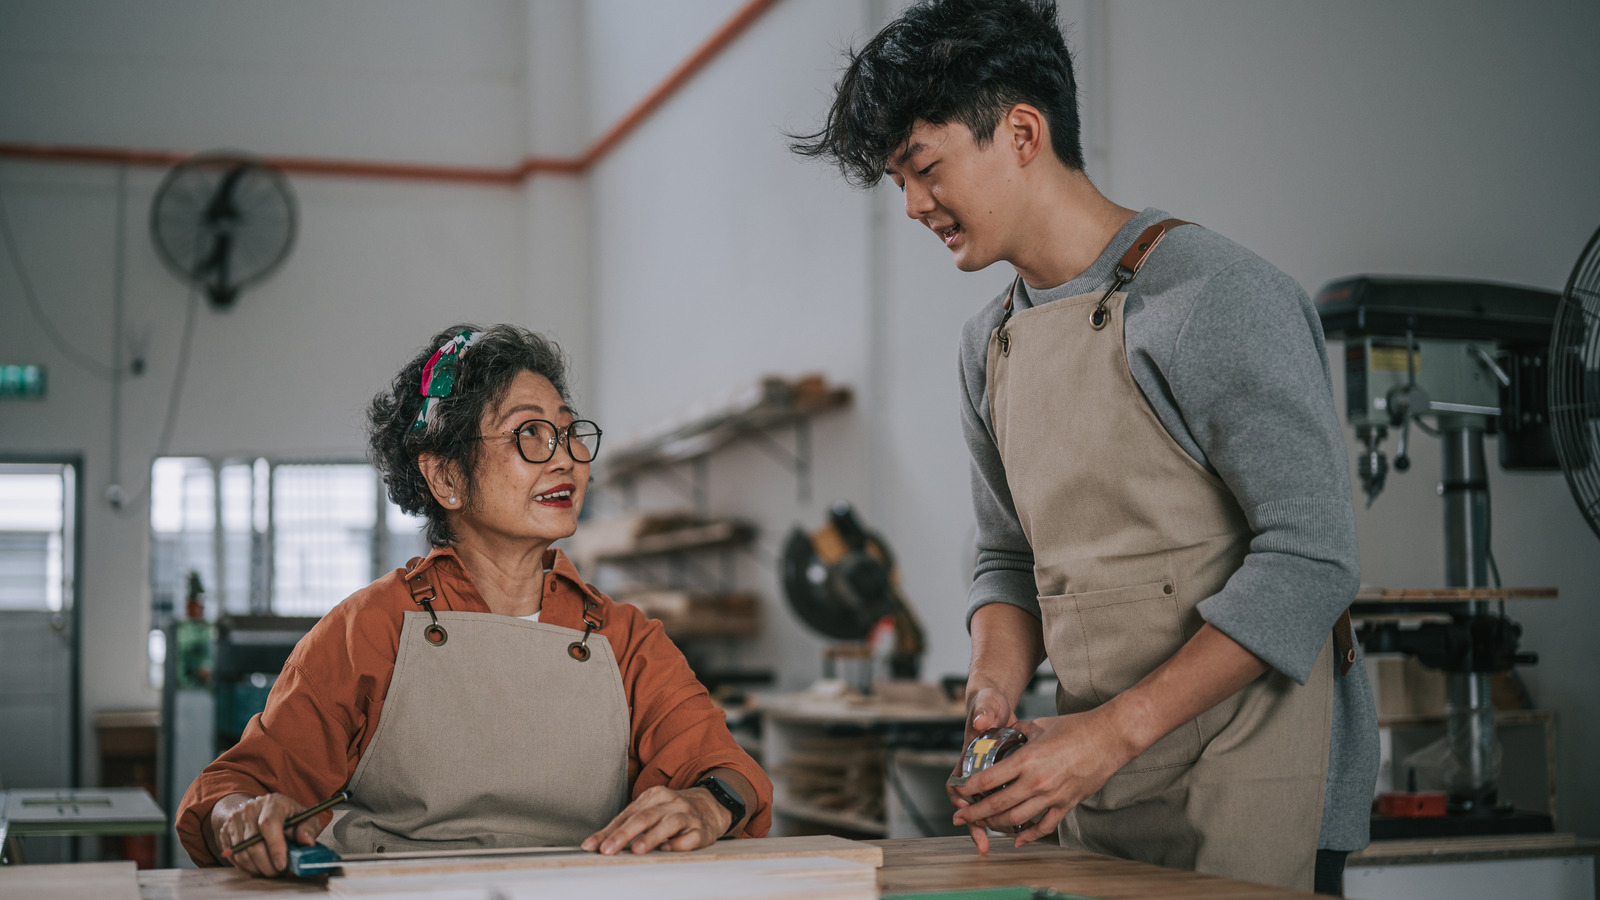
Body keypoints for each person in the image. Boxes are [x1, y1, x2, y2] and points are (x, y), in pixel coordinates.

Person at [792, 0, 1377, 894]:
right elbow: (1005, 556)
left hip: (1255, 782)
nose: (911, 206)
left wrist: (1109, 734)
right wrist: (994, 687)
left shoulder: (1218, 298)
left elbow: (1311, 560)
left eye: (923, 168)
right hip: (1098, 793)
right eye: (897, 181)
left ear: (1022, 132)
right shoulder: (986, 343)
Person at [176, 324, 772, 876]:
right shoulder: (370, 630)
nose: (565, 457)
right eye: (529, 433)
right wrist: (241, 817)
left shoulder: (625, 639)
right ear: (446, 479)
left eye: (568, 431)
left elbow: (731, 772)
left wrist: (707, 802)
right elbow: (234, 786)